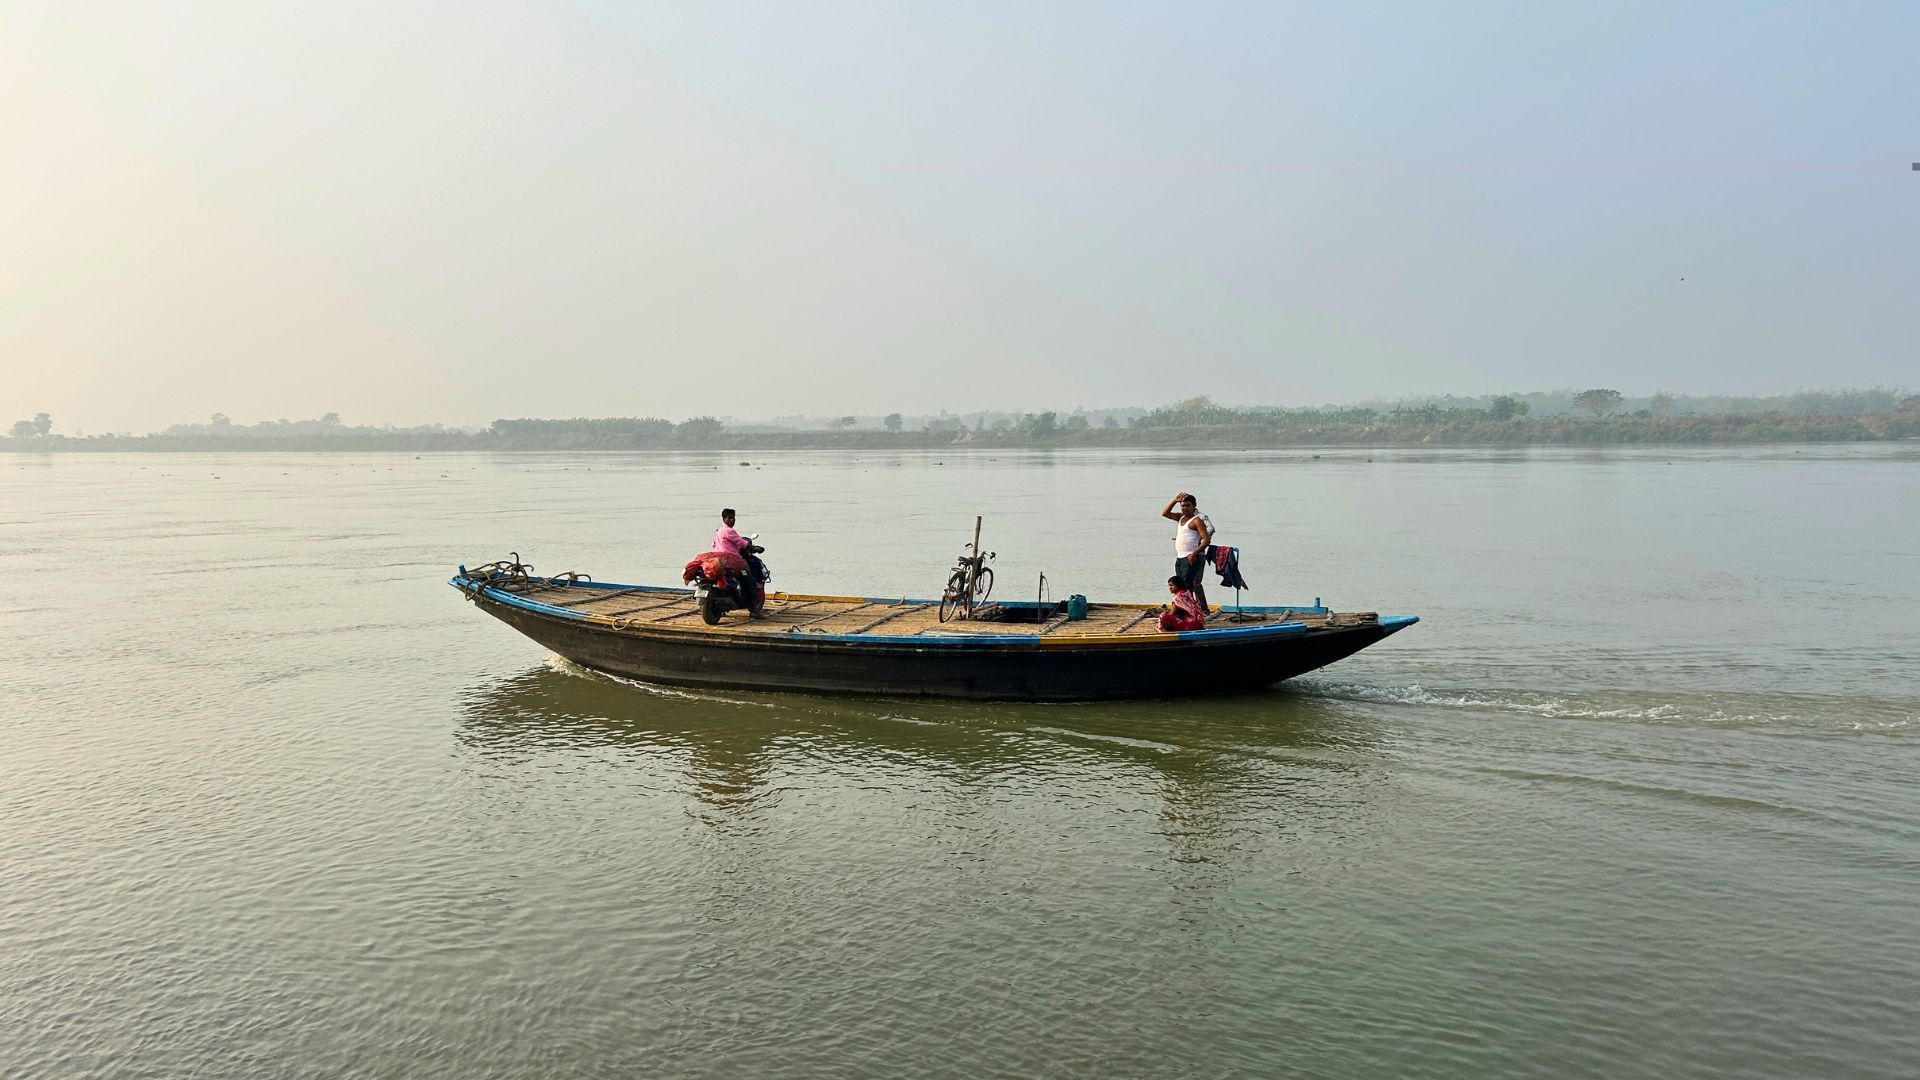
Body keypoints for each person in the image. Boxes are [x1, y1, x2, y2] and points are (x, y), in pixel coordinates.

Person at [1159, 491, 1213, 614]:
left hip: (1191, 557)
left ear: (1194, 506)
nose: (1185, 508)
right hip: (1180, 557)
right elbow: (1165, 513)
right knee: (1180, 585)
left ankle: (1191, 611)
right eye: (1183, 505)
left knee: (1189, 586)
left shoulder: (1197, 521)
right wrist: (1174, 501)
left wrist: (1194, 554)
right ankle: (1185, 609)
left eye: (1188, 505)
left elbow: (1206, 540)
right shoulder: (1180, 517)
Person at [711, 508, 769, 618]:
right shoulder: (729, 531)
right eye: (729, 518)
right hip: (732, 562)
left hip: (720, 561)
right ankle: (753, 610)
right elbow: (742, 542)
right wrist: (754, 548)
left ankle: (723, 608)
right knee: (750, 582)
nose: (732, 520)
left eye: (733, 518)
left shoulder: (719, 531)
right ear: (724, 518)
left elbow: (714, 544)